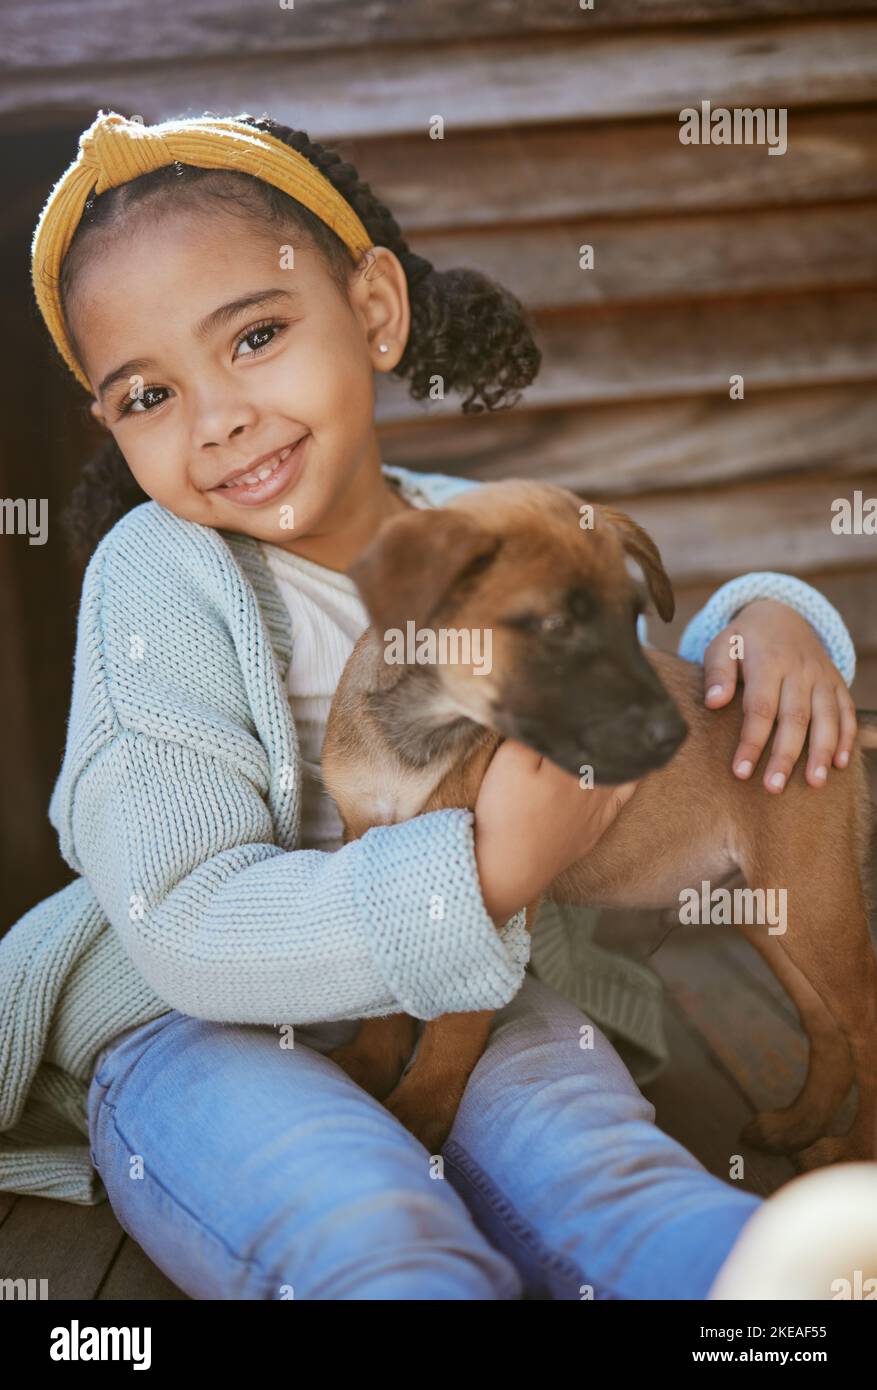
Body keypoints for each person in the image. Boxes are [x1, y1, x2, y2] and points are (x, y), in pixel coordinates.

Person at [2, 108, 873, 1300]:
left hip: (482, 995)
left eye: (254, 335)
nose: (217, 417)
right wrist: (485, 879)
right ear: (111, 426)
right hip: (184, 1026)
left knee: (606, 1172)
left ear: (372, 308)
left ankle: (779, 1294)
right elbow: (184, 918)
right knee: (359, 1219)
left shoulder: (490, 521)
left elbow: (625, 636)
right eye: (148, 395)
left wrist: (774, 616)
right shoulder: (154, 577)